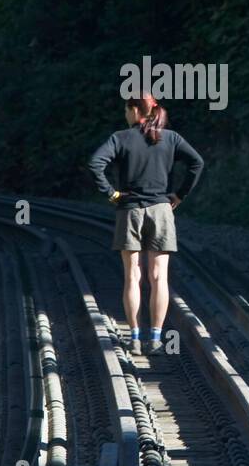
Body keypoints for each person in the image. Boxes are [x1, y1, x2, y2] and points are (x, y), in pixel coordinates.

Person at [87, 95, 205, 355]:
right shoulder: (171, 138)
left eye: (126, 110)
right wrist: (179, 195)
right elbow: (197, 163)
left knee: (132, 276)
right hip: (161, 211)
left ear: (134, 110)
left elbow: (95, 163)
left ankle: (135, 338)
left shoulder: (120, 138)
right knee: (159, 277)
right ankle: (155, 338)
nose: (125, 116)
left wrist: (112, 193)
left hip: (130, 210)